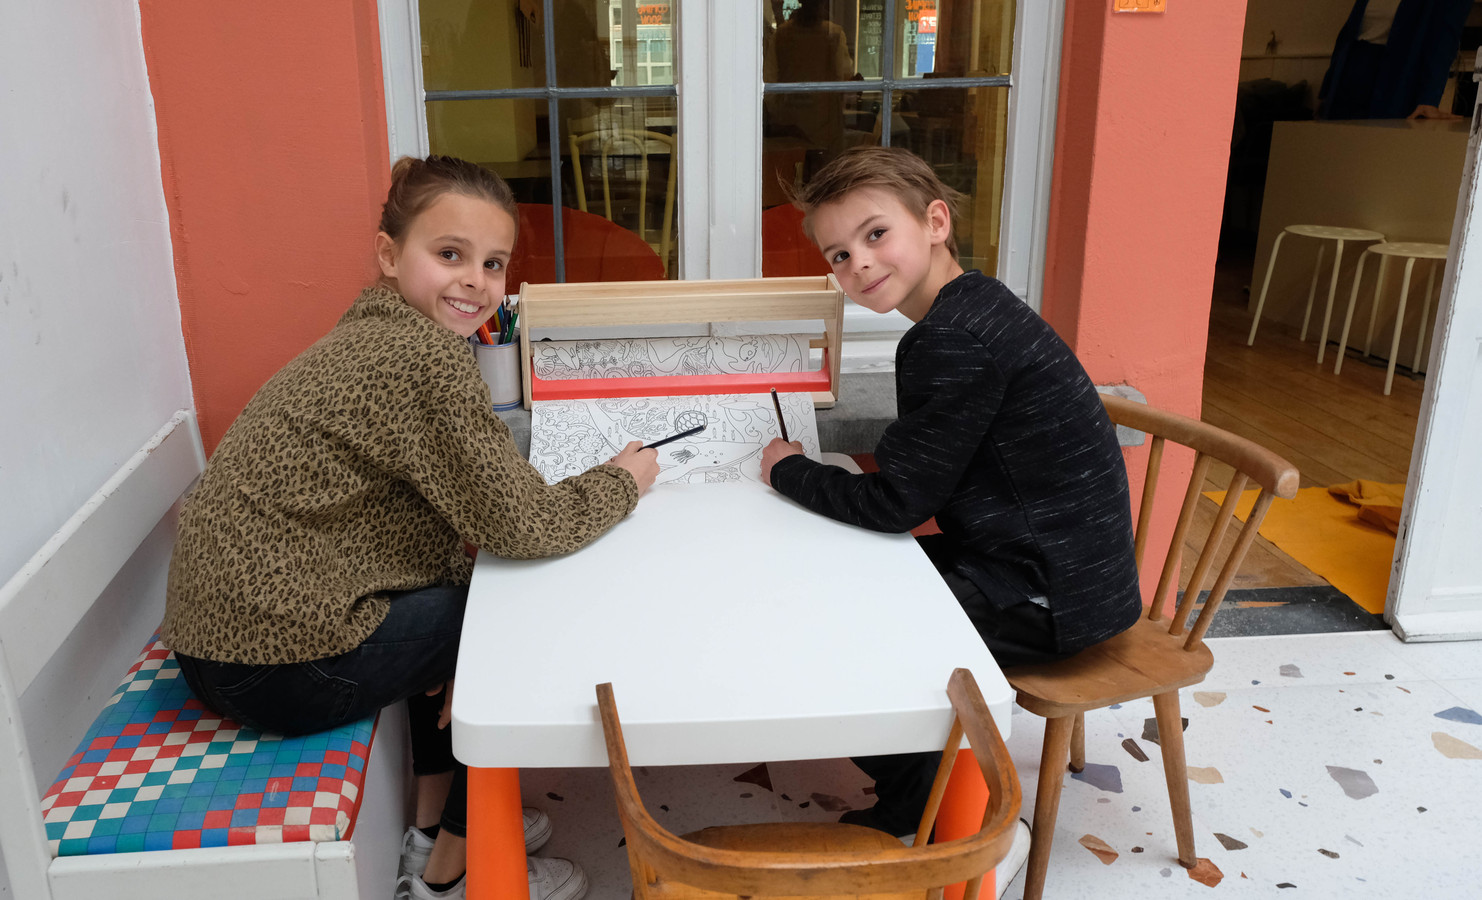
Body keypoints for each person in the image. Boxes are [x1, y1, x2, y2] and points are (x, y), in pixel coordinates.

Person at [162, 155, 659, 900]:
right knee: (509, 614)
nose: (475, 281)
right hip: (276, 666)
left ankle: (432, 826)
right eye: (450, 254)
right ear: (390, 255)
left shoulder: (372, 333)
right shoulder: (424, 358)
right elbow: (525, 525)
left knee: (463, 603)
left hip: (219, 647)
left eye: (493, 263)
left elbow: (443, 515)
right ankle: (456, 871)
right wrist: (622, 480)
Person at [759, 146, 1142, 837]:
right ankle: (920, 783)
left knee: (830, 627)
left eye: (876, 234)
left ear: (935, 222)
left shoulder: (949, 340)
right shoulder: (979, 303)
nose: (859, 263)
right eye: (839, 254)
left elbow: (897, 505)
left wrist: (788, 468)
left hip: (1047, 597)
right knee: (843, 577)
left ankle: (926, 807)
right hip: (1069, 573)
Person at [1319, 0, 1472, 121]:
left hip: (1394, 79)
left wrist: (1429, 99)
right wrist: (1328, 87)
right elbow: (1349, 31)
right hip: (1350, 70)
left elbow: (1444, 42)